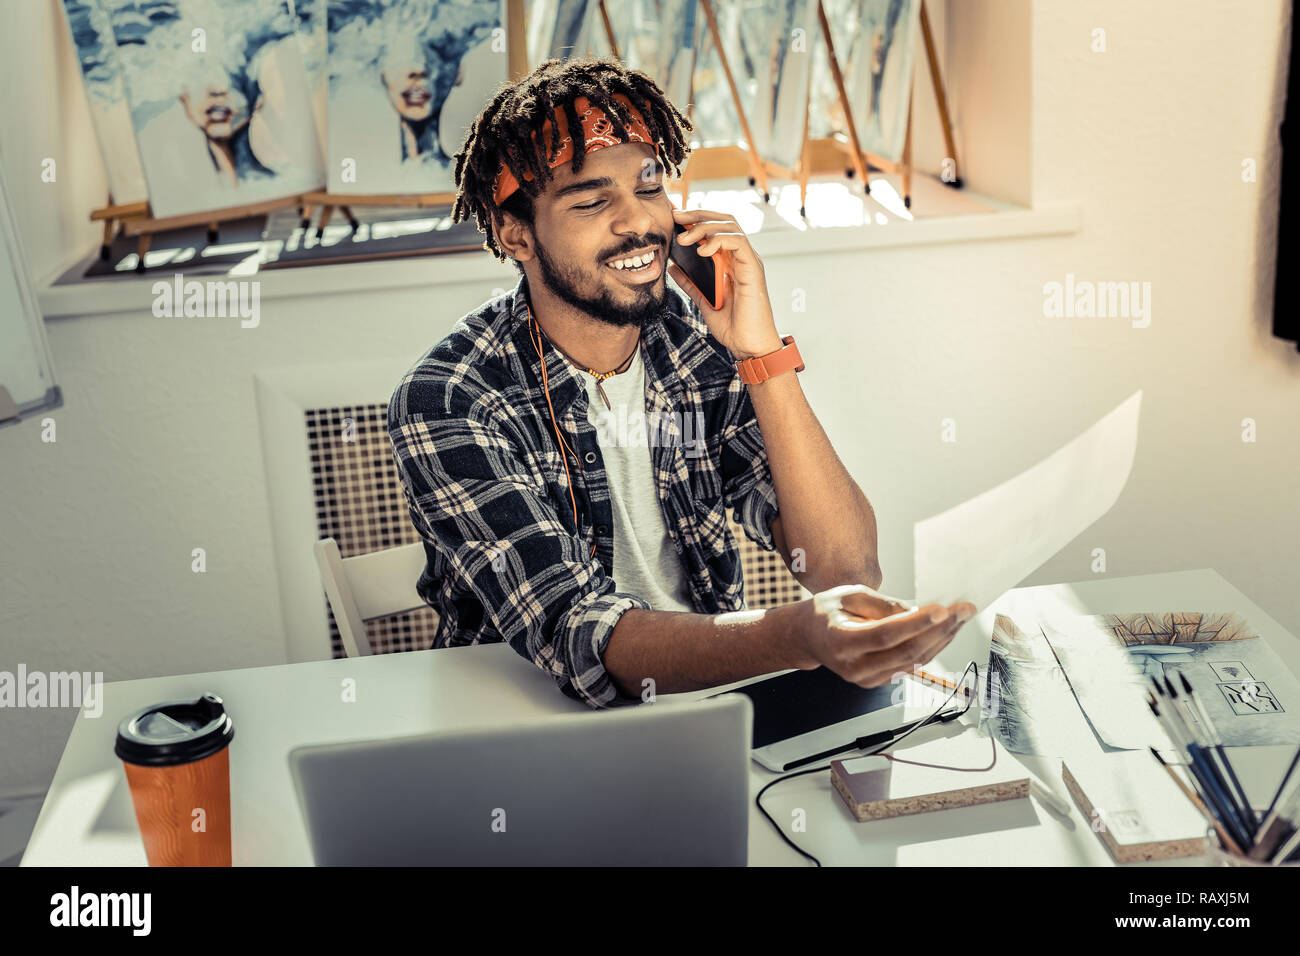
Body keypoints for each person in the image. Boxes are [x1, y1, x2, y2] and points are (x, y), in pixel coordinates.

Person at [388, 56, 974, 707]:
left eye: (648, 187)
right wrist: (798, 637)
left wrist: (761, 355)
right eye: (590, 200)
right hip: (522, 726)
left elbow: (844, 567)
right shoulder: (450, 399)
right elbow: (581, 634)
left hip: (709, 708)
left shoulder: (696, 348)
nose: (639, 222)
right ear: (516, 235)